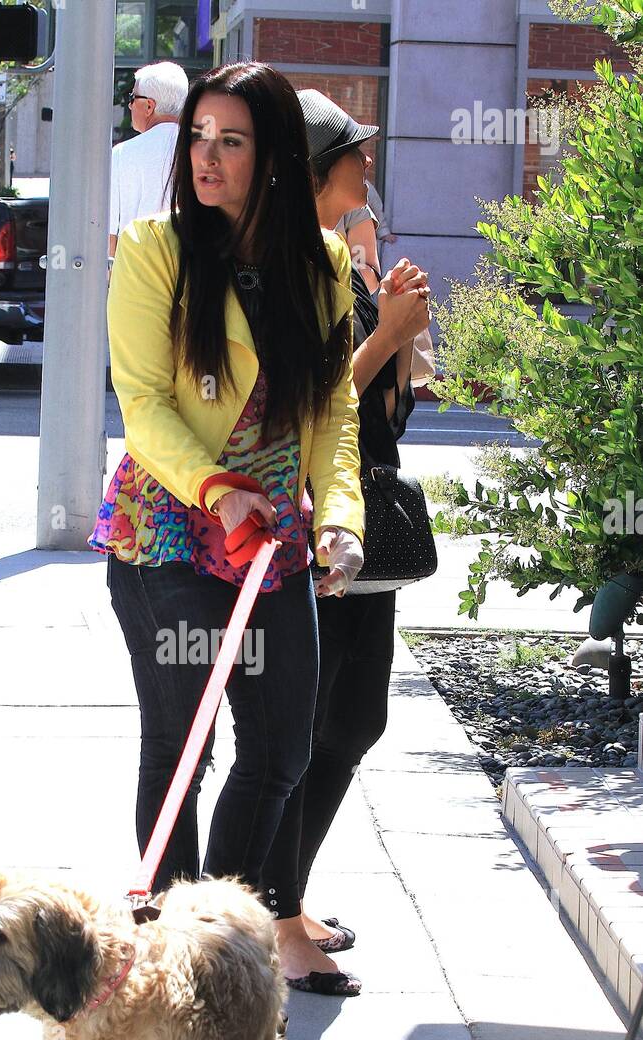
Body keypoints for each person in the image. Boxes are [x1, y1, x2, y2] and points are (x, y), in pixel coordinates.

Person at [91, 62, 365, 991]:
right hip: (170, 532)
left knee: (283, 745)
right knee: (183, 748)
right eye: (198, 138)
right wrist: (216, 487)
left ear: (276, 158)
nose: (205, 158)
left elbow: (333, 414)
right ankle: (173, 962)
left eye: (231, 141)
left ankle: (218, 939)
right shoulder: (155, 250)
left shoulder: (321, 262)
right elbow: (140, 404)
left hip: (276, 544)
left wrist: (339, 520)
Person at [257, 90, 431, 984]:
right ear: (319, 171)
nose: (370, 166)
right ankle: (275, 923)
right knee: (299, 724)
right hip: (309, 525)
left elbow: (386, 409)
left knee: (356, 718)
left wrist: (402, 339)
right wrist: (384, 338)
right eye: (356, 155)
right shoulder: (288, 267)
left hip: (365, 518)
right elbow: (309, 406)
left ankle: (287, 901)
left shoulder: (347, 266)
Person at [108, 61, 189, 262]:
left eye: (133, 97)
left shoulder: (122, 153)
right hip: (190, 271)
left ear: (149, 106)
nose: (129, 104)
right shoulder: (202, 149)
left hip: (136, 273)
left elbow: (109, 234)